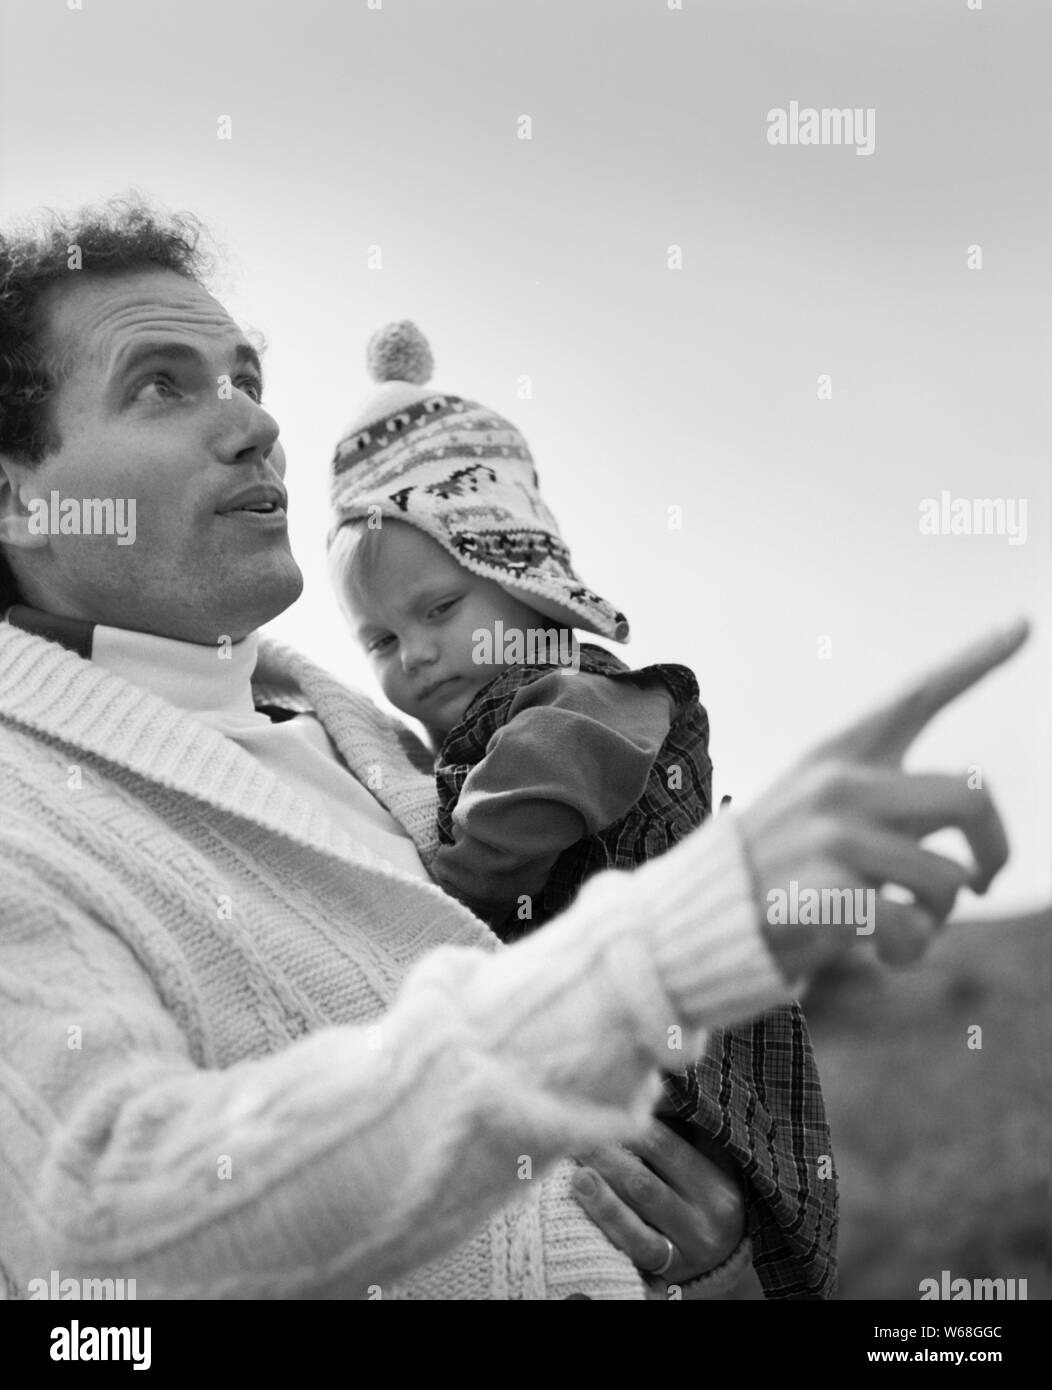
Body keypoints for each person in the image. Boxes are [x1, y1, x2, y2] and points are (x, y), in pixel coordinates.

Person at [0, 197, 1025, 1301]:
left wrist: (711, 1271)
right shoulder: (27, 818)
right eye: (162, 383)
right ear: (16, 500)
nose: (253, 421)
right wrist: (665, 948)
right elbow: (103, 1235)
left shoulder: (376, 743)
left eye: (246, 376)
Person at [328, 322, 836, 1298]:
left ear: (521, 577)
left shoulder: (577, 698)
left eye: (438, 609)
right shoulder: (475, 726)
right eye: (380, 639)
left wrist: (427, 886)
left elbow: (520, 817)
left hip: (680, 1049)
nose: (416, 654)